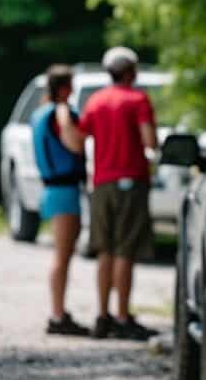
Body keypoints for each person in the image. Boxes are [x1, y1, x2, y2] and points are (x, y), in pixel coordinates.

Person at [59, 46, 159, 340]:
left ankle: (102, 316)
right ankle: (123, 316)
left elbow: (78, 141)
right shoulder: (139, 99)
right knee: (126, 251)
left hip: (101, 184)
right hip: (132, 182)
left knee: (105, 249)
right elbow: (150, 142)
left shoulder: (96, 101)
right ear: (132, 71)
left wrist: (64, 118)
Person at [30, 65, 90, 336]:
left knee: (62, 254)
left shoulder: (39, 114)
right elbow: (75, 144)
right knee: (62, 256)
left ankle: (59, 311)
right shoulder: (59, 114)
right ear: (63, 88)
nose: (74, 91)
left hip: (53, 189)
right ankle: (57, 314)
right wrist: (67, 113)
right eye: (71, 86)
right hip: (63, 191)